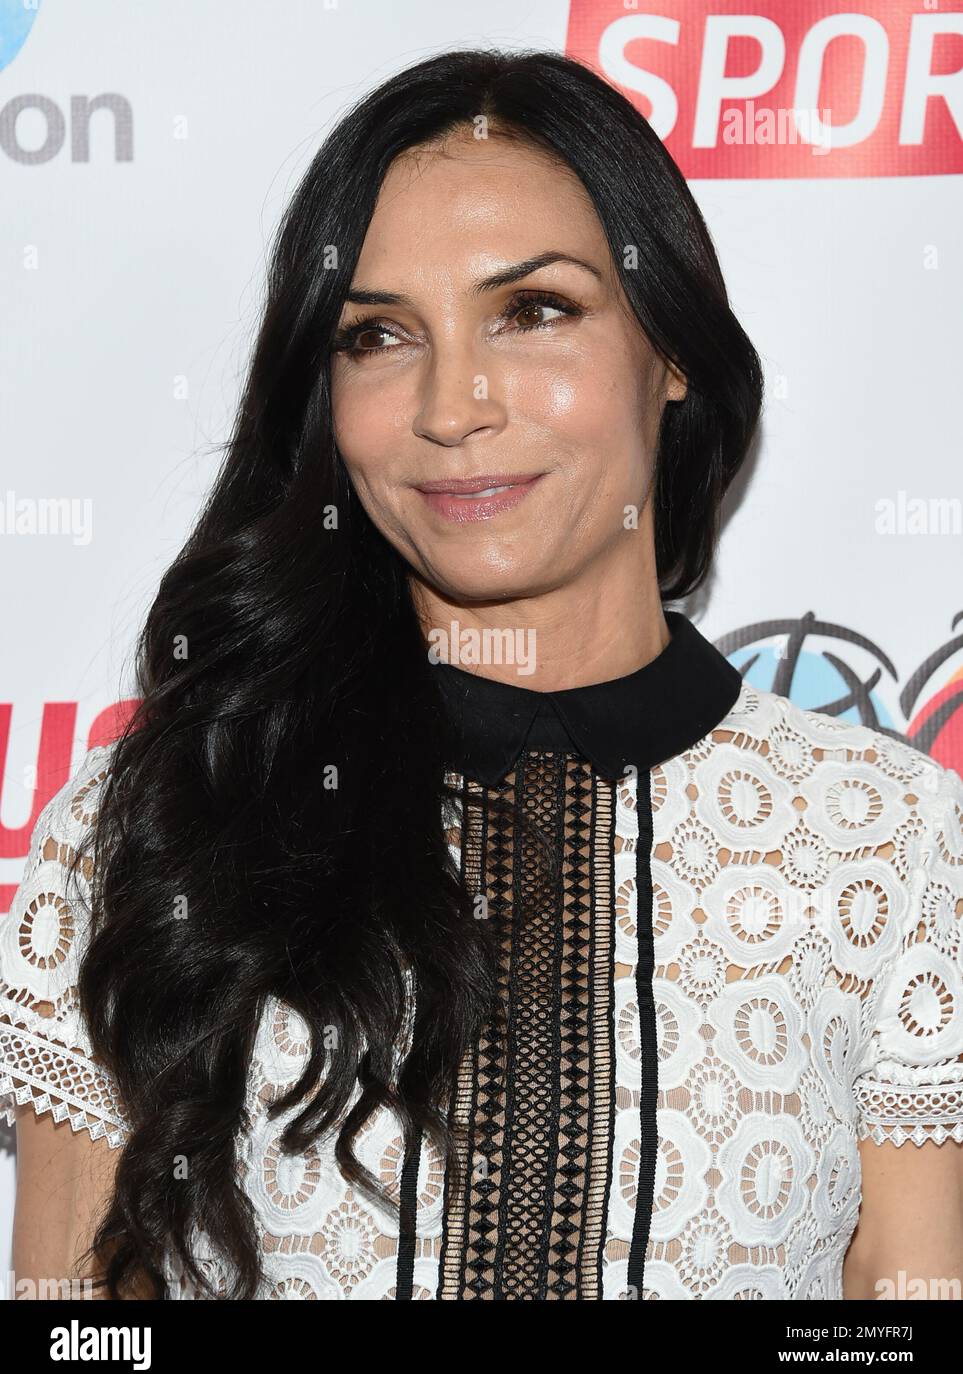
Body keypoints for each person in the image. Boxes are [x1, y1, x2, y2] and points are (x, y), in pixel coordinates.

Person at [3, 47, 962, 1302]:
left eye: (535, 310)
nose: (454, 404)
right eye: (381, 335)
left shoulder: (883, 845)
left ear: (671, 348)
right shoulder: (157, 833)